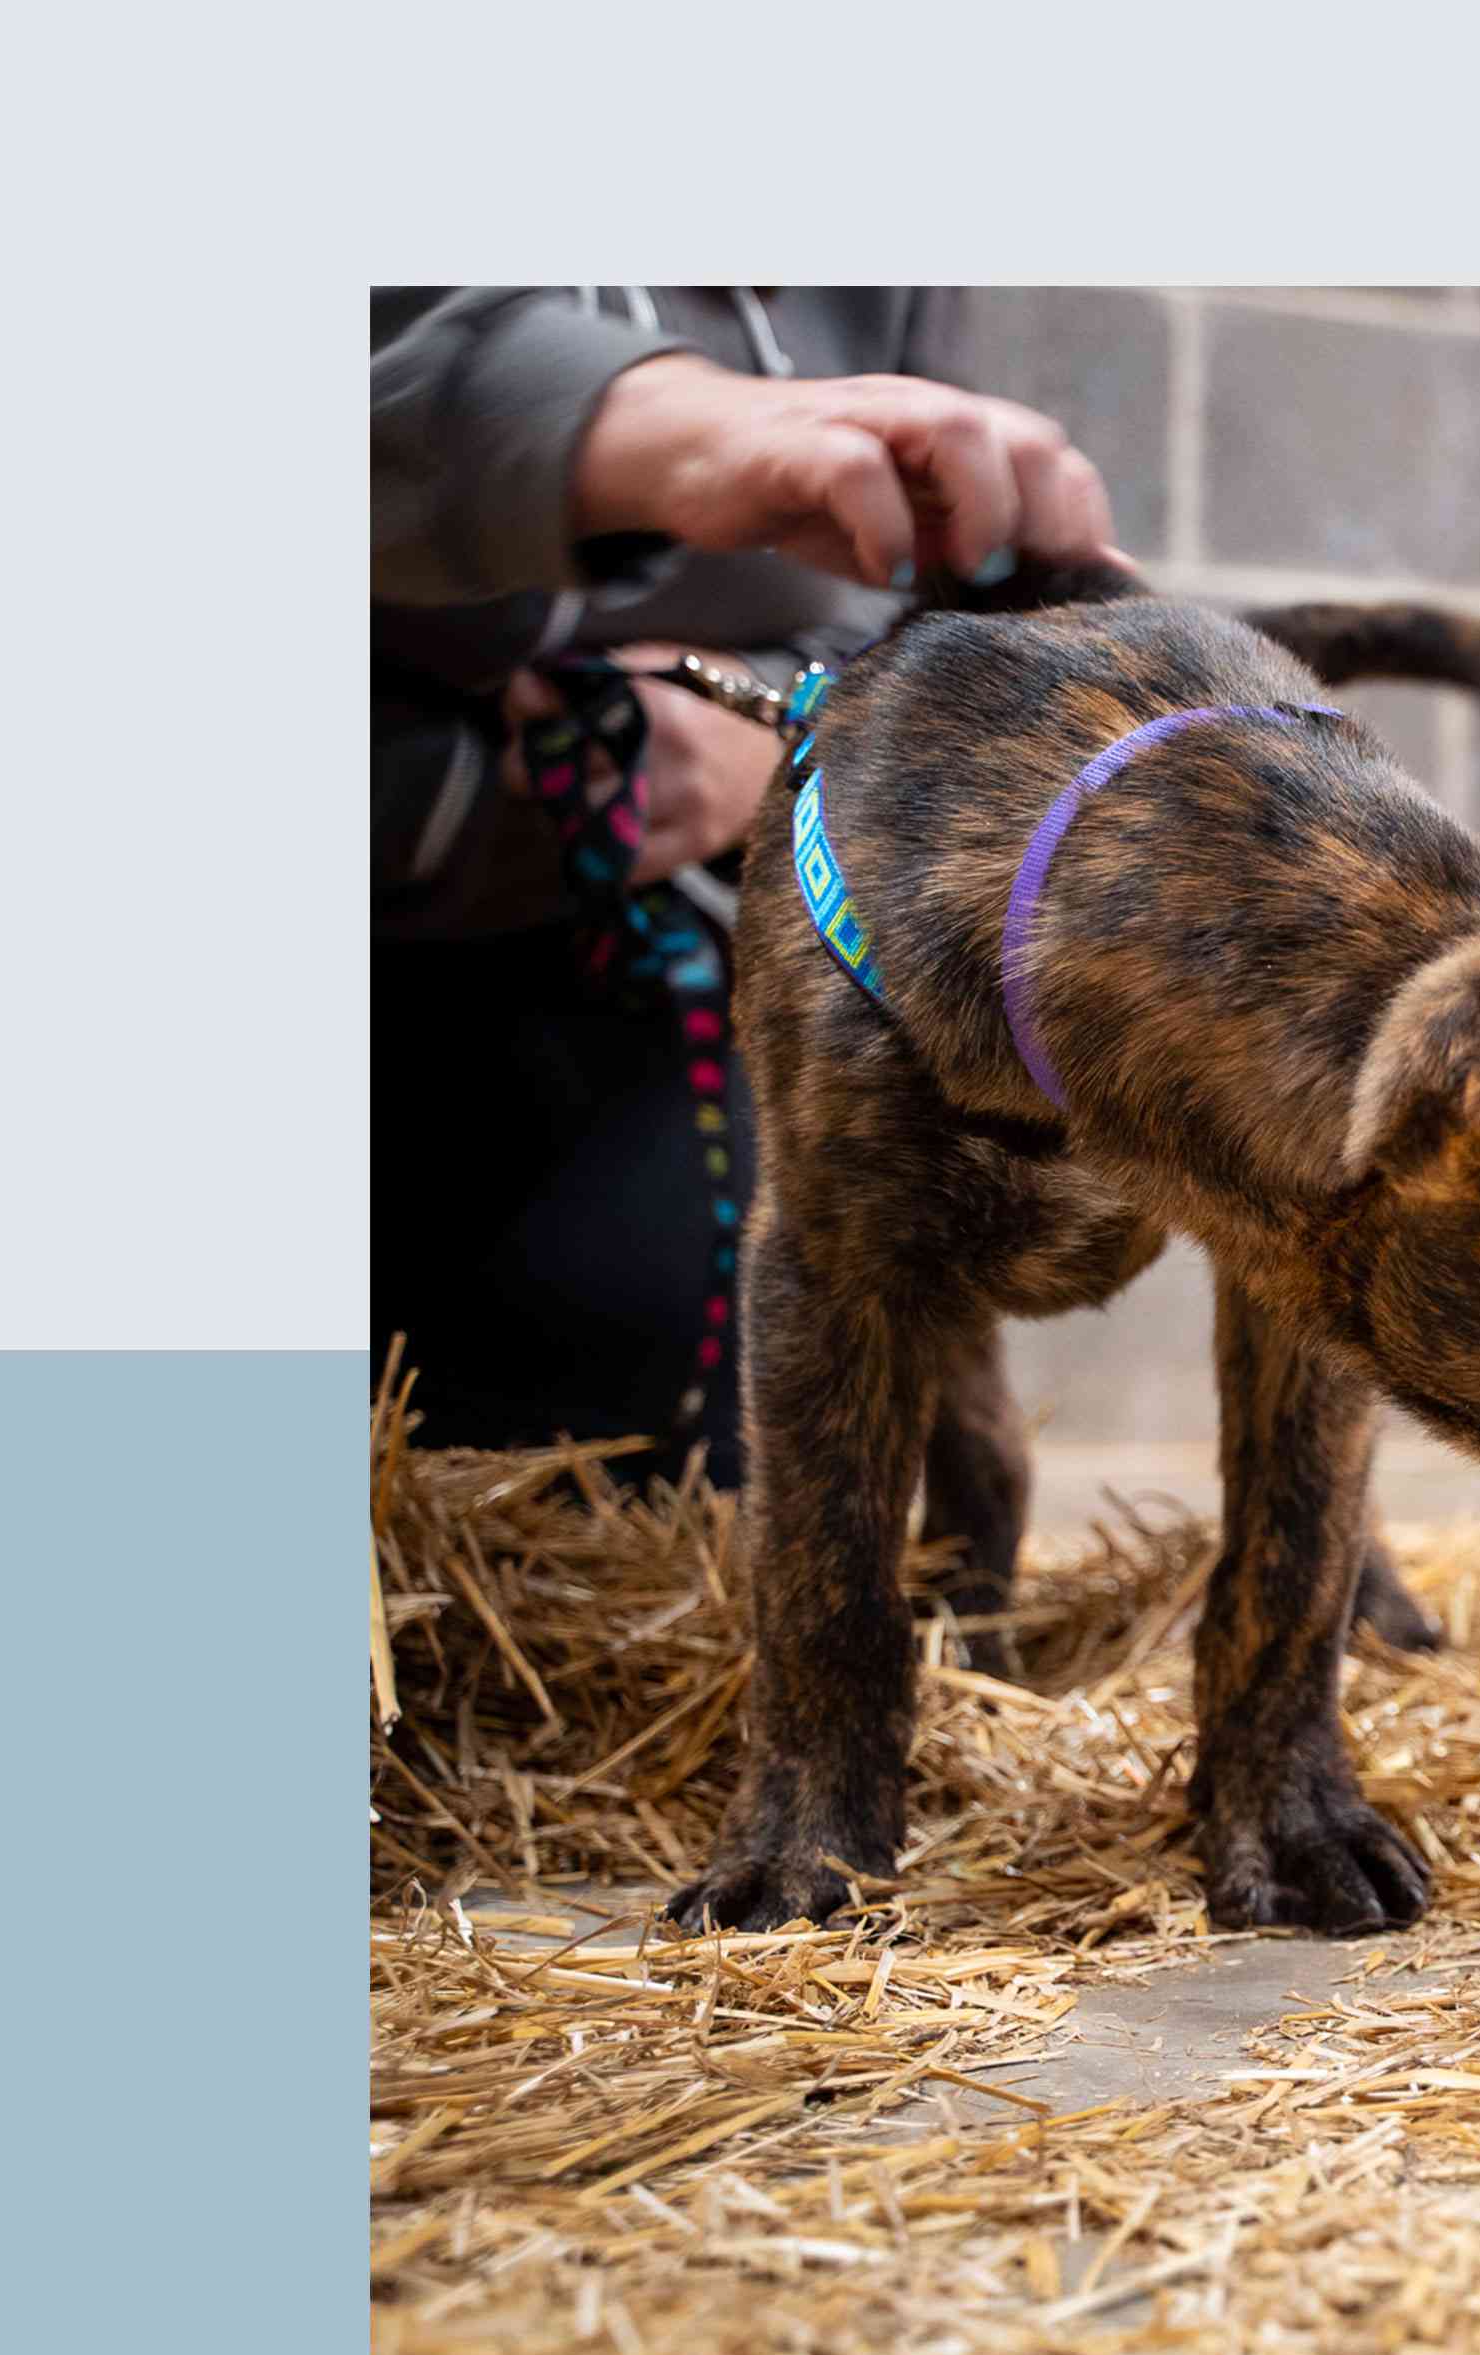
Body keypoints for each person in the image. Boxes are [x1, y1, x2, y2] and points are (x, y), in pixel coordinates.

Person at [370, 288, 1119, 1480]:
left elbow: (902, 597)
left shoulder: (898, 282)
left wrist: (769, 732)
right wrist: (652, 428)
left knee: (708, 1444)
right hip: (417, 964)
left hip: (677, 974)